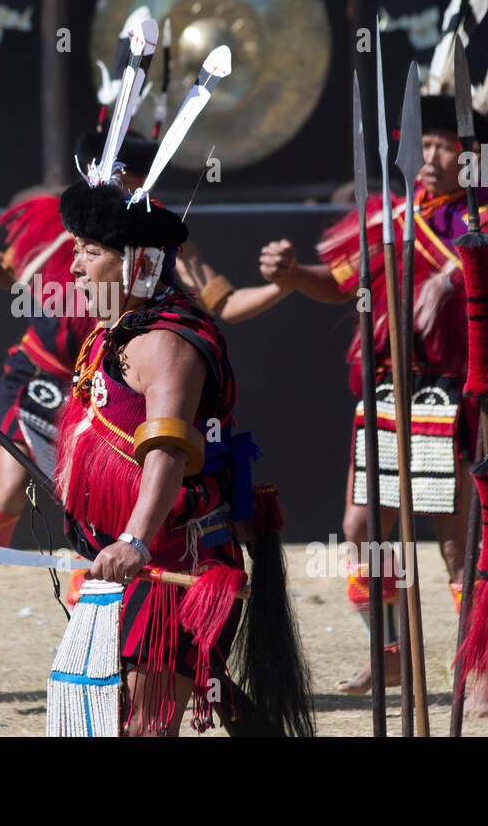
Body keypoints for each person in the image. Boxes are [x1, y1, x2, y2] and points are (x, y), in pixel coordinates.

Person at [261, 95, 488, 710]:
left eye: (447, 145)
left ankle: (485, 668)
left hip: (462, 397)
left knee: (456, 541)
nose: (431, 156)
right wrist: (290, 276)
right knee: (362, 530)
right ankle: (387, 658)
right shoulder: (390, 221)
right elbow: (336, 285)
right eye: (426, 144)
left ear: (475, 162)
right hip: (389, 391)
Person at [0, 131, 290, 646]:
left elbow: (221, 306)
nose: (74, 267)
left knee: (109, 509)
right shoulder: (68, 232)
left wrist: (286, 283)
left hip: (126, 390)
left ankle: (105, 609)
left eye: (118, 173)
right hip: (52, 373)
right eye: (98, 170)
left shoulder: (158, 259)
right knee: (13, 487)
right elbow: (8, 272)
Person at [49, 171, 313, 736]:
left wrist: (135, 540)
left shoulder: (168, 344)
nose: (73, 267)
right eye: (76, 250)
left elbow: (166, 451)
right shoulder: (112, 331)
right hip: (126, 561)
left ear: (140, 265)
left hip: (175, 563)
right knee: (118, 718)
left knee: (148, 727)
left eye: (90, 252)